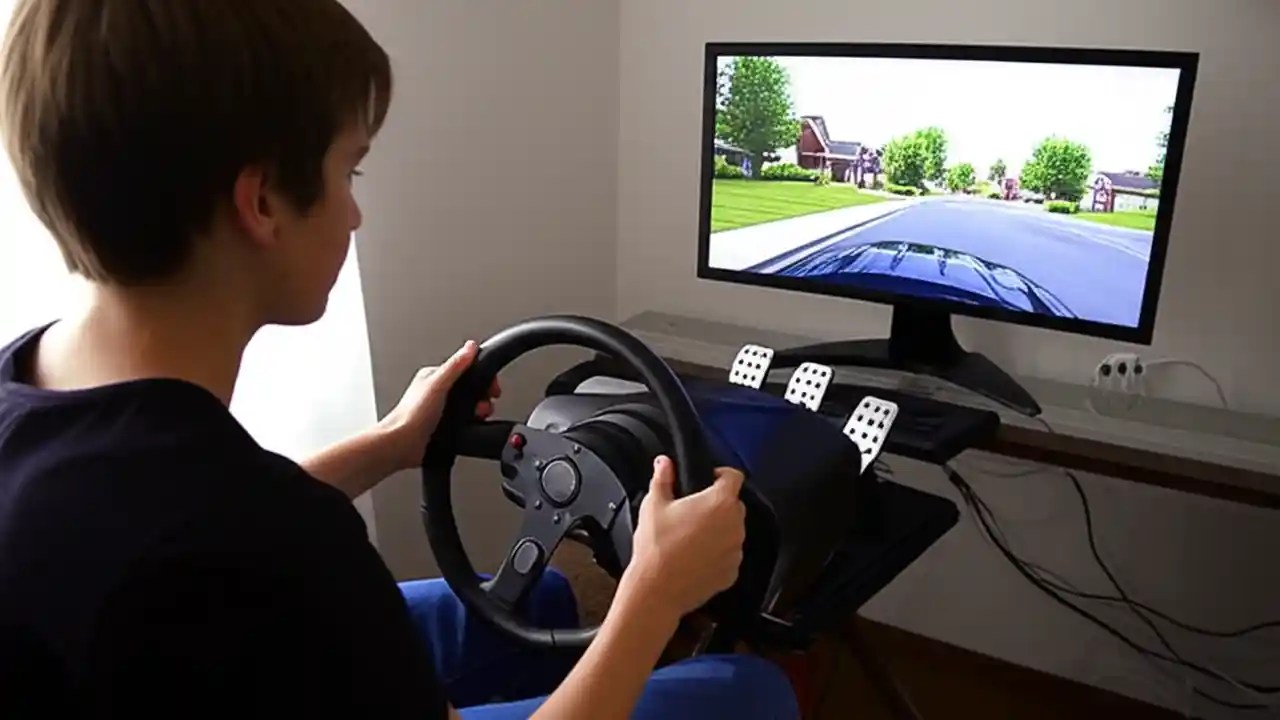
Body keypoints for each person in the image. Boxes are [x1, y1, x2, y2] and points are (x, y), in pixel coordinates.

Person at [0, 1, 799, 719]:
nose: (354, 211)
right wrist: (654, 598)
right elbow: (233, 548)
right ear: (264, 203)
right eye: (349, 171)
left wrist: (389, 445)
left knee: (549, 596)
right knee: (749, 691)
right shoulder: (285, 552)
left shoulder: (30, 385)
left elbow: (176, 535)